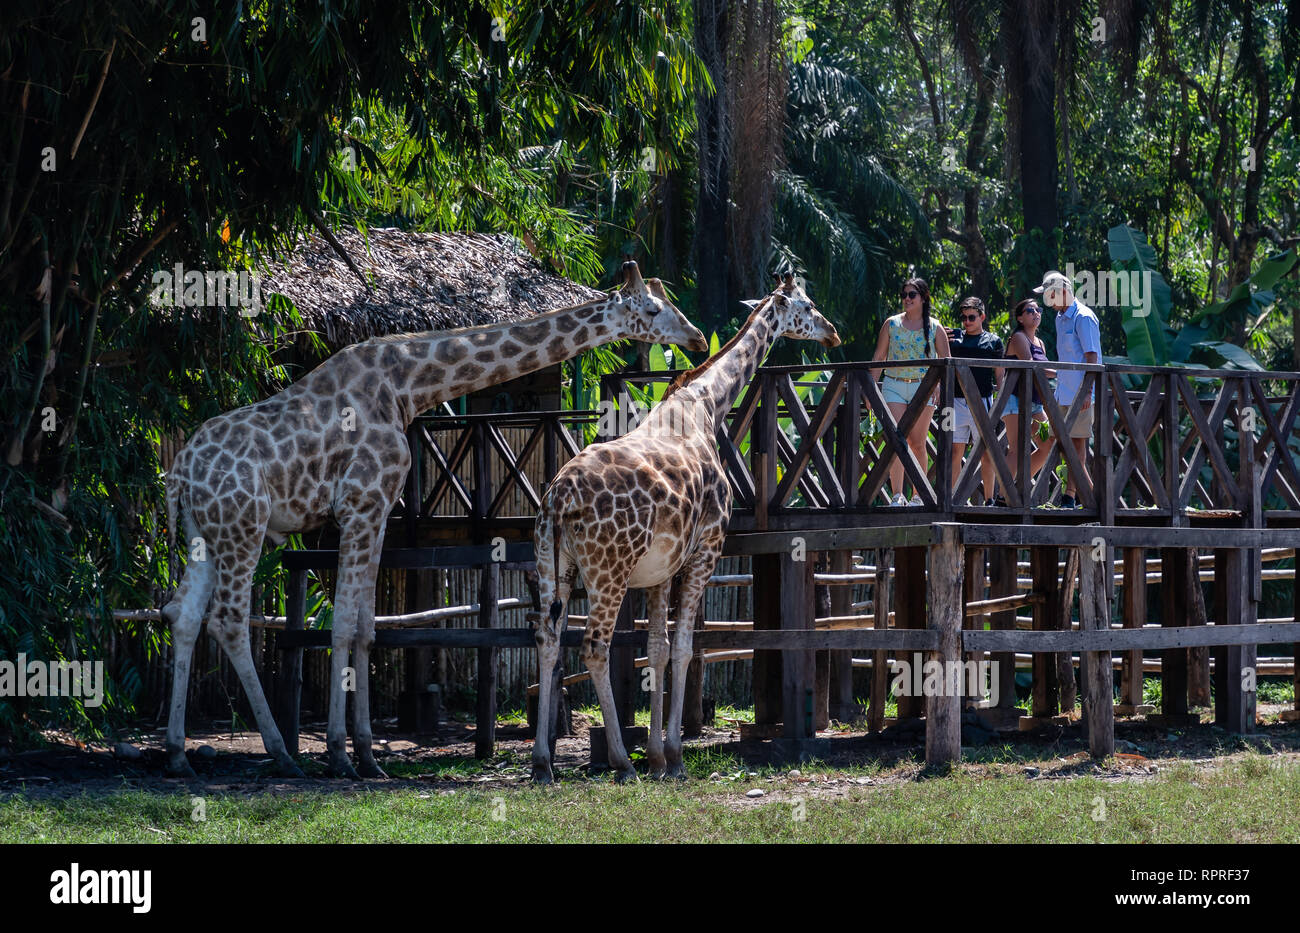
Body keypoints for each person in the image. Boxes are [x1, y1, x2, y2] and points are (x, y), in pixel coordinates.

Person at [869, 277, 951, 506]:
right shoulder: (891, 324)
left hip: (922, 387)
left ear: (923, 298)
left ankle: (918, 494)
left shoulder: (935, 327)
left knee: (917, 442)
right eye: (904, 294)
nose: (906, 299)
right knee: (896, 439)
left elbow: (946, 361)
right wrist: (871, 391)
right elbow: (879, 357)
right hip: (893, 384)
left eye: (912, 294)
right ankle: (897, 495)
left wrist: (939, 386)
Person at [1036, 270, 1101, 509]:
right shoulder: (1060, 318)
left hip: (1080, 393)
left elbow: (1092, 356)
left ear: (1063, 292)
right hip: (1063, 391)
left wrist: (1086, 392)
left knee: (1077, 445)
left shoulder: (1083, 317)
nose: (1048, 300)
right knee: (1062, 444)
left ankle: (1072, 495)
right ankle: (1088, 495)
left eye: (1050, 294)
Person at [946, 296, 1003, 505]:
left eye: (971, 317)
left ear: (982, 317)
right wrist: (941, 336)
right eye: (964, 317)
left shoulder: (994, 340)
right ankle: (955, 498)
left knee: (986, 451)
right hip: (954, 403)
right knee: (954, 451)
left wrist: (1000, 400)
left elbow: (999, 373)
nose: (967, 321)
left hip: (984, 401)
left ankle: (989, 499)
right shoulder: (953, 338)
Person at [997, 297, 1053, 505]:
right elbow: (1032, 366)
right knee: (1016, 448)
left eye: (1038, 310)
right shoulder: (1018, 338)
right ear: (1020, 318)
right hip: (1014, 400)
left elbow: (1042, 374)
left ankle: (1018, 483)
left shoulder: (1041, 343)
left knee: (1048, 444)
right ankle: (1002, 496)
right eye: (1030, 310)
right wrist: (1062, 373)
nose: (1035, 313)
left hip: (1036, 402)